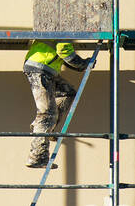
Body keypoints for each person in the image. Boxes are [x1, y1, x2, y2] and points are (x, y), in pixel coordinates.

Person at [23, 39, 93, 168]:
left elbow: (65, 57)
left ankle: (48, 128)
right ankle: (37, 157)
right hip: (39, 68)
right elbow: (64, 50)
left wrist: (83, 65)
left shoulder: (58, 25)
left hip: (46, 69)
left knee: (67, 93)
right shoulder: (61, 25)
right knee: (47, 114)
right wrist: (83, 64)